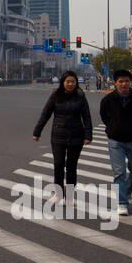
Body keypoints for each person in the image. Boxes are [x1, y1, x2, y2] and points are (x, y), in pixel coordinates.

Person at [33, 71, 92, 209]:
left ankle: (69, 196)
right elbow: (45, 113)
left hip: (76, 134)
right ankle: (58, 193)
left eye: (73, 81)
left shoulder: (80, 96)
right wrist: (37, 131)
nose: (70, 84)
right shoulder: (56, 94)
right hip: (58, 134)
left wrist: (88, 135)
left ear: (76, 82)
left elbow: (87, 116)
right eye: (68, 81)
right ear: (63, 82)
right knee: (58, 164)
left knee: (71, 166)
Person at [99, 67, 132, 217]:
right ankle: (121, 203)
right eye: (120, 81)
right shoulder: (107, 100)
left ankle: (126, 192)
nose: (124, 84)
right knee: (119, 173)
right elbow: (104, 117)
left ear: (130, 82)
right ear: (115, 82)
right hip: (115, 140)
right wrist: (113, 128)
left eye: (126, 81)